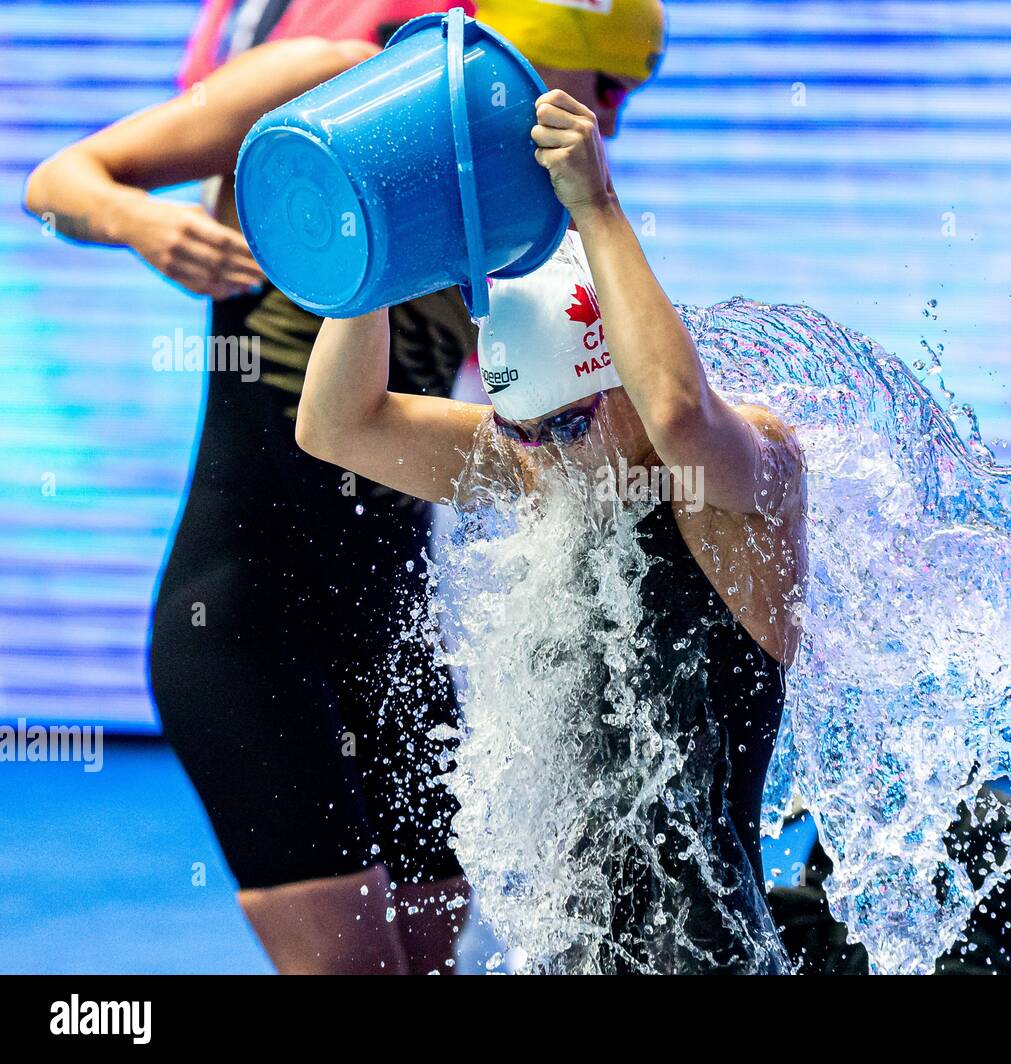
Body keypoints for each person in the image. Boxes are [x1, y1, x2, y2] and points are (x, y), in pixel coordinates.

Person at [23, 0, 666, 974]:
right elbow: (59, 179)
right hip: (246, 618)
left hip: (396, 633)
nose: (613, 120)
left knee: (428, 965)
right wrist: (142, 221)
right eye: (611, 85)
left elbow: (570, 442)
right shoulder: (321, 75)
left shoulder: (530, 201)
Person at [295, 80, 803, 971]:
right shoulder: (542, 469)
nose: (545, 456)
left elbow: (682, 413)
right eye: (519, 430)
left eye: (567, 424)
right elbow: (339, 426)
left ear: (626, 390)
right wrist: (368, 250)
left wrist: (596, 207)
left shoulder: (740, 485)